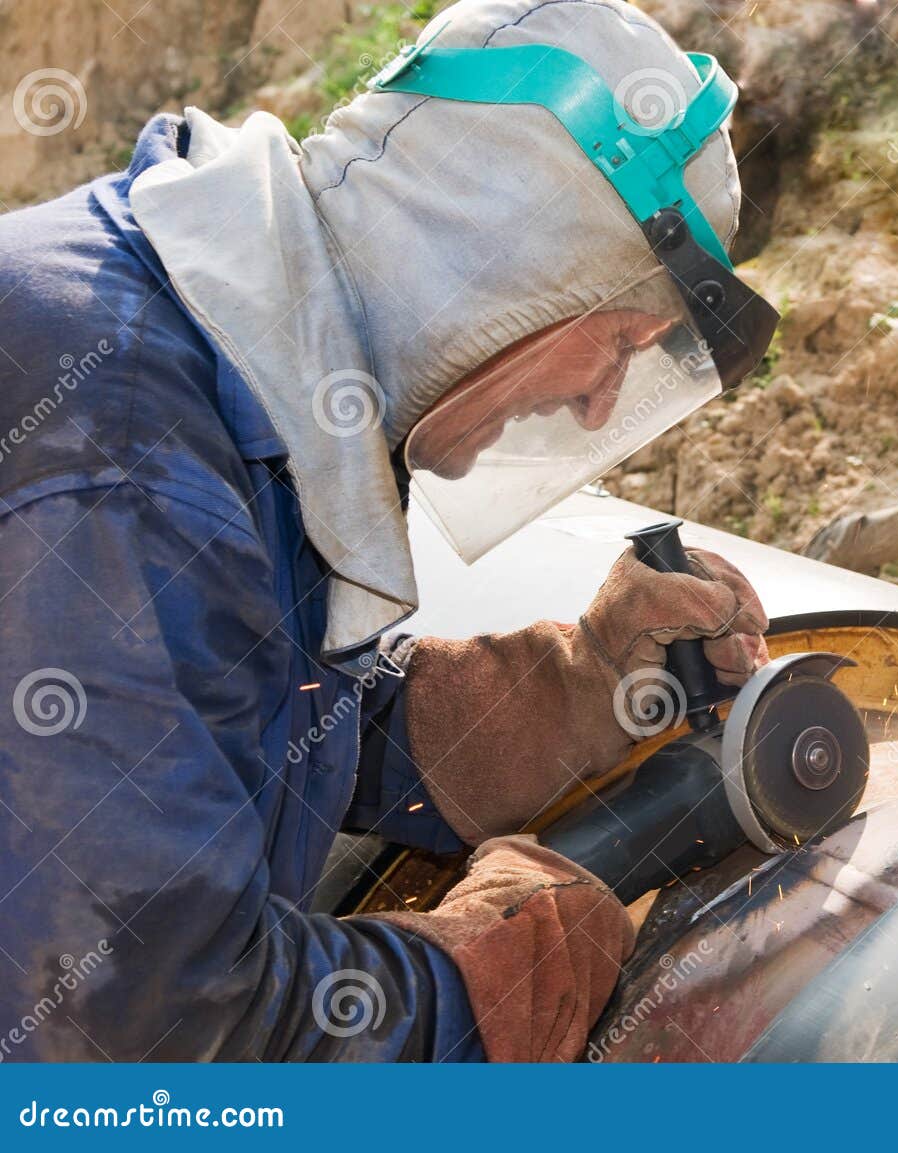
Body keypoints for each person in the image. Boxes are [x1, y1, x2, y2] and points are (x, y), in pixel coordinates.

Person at [0, 0, 776, 1061]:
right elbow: (147, 1038)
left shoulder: (205, 347)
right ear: (498, 274)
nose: (602, 405)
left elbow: (234, 720)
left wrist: (575, 689)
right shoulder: (125, 469)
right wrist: (496, 976)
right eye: (619, 340)